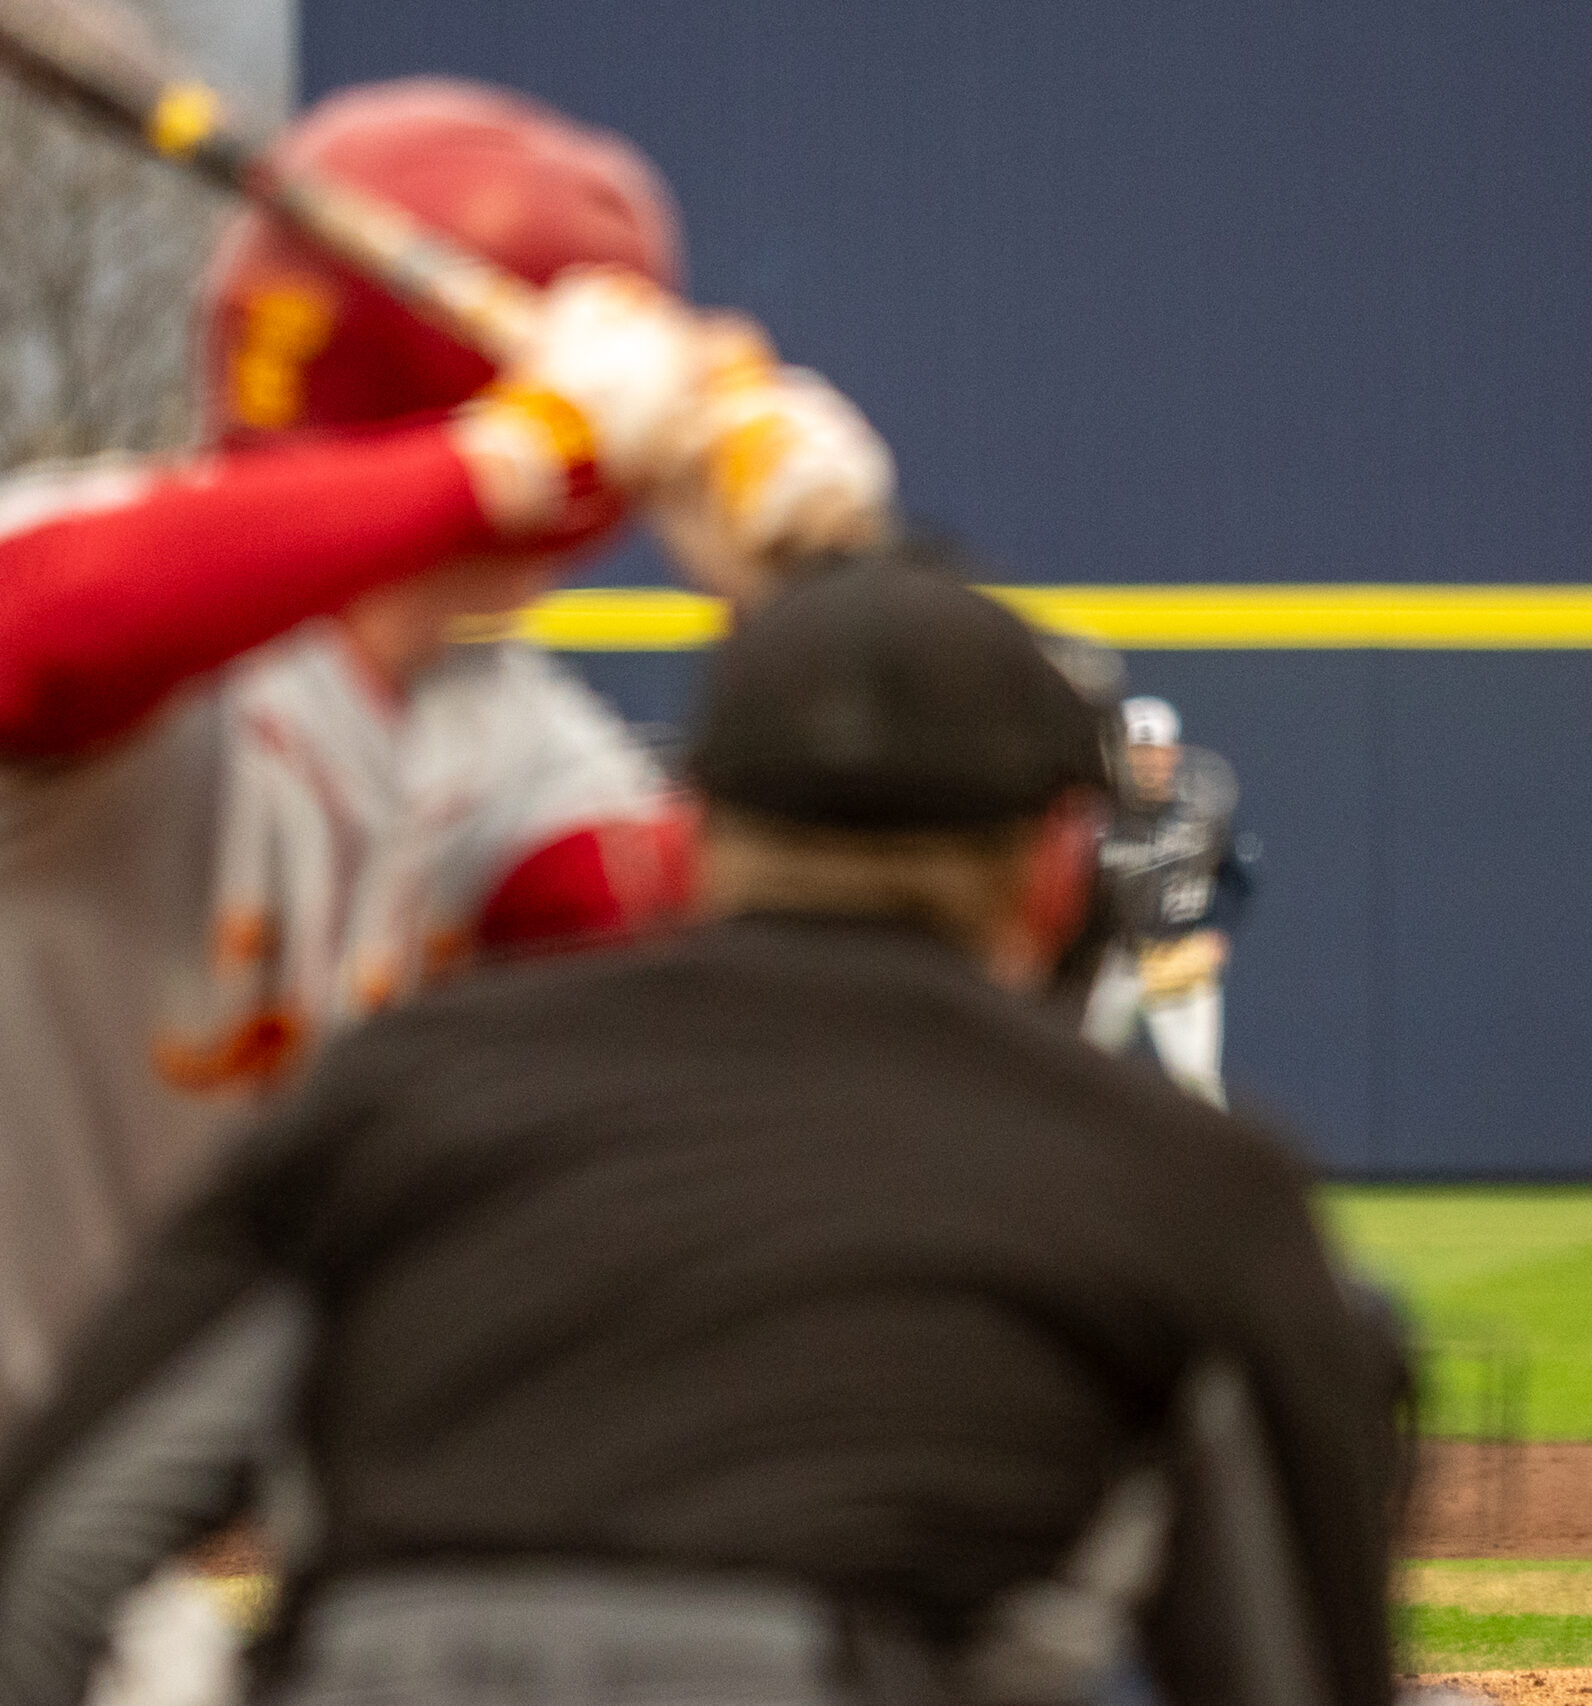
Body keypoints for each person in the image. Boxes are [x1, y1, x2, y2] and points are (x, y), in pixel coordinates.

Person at [0, 550, 1400, 1706]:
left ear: (686, 823)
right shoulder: (1188, 1182)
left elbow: (49, 1557)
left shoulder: (402, 1087)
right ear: (1057, 872)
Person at [0, 77, 892, 1427]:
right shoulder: (109, 555)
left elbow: (725, 980)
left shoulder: (500, 724)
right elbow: (40, 645)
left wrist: (822, 606)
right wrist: (511, 456)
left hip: (157, 1506)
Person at [1083, 697, 1253, 1107]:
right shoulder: (1096, 812)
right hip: (1112, 962)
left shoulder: (1201, 812)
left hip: (1179, 958)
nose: (1146, 761)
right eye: (1136, 751)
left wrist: (1217, 932)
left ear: (1173, 753)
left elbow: (1239, 878)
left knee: (1197, 1085)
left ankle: (1215, 1172)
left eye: (1154, 751)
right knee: (1079, 1080)